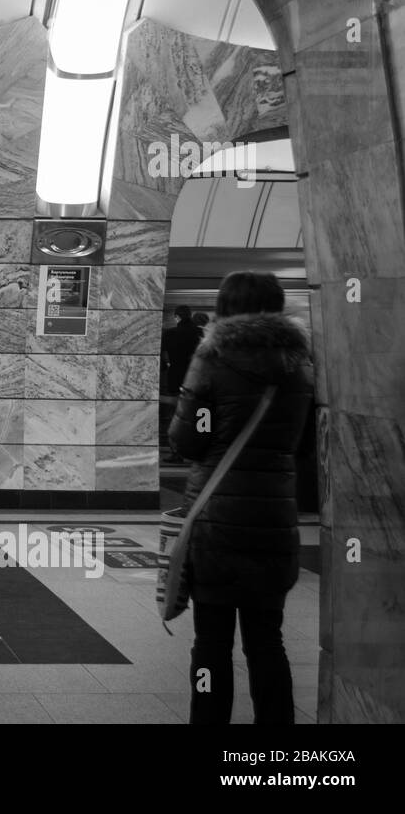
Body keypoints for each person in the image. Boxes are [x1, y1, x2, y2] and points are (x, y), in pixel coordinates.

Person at [168, 271, 314, 725]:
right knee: (267, 641)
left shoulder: (212, 360)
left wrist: (210, 429)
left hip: (217, 523)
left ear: (226, 307)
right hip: (274, 520)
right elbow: (305, 444)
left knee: (211, 644)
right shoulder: (300, 366)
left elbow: (189, 439)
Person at [161, 305, 202, 464]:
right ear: (190, 316)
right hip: (197, 380)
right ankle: (198, 450)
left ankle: (176, 452)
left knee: (175, 416)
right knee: (198, 415)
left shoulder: (170, 334)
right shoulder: (199, 333)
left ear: (177, 317)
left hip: (176, 379)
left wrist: (166, 367)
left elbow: (163, 357)